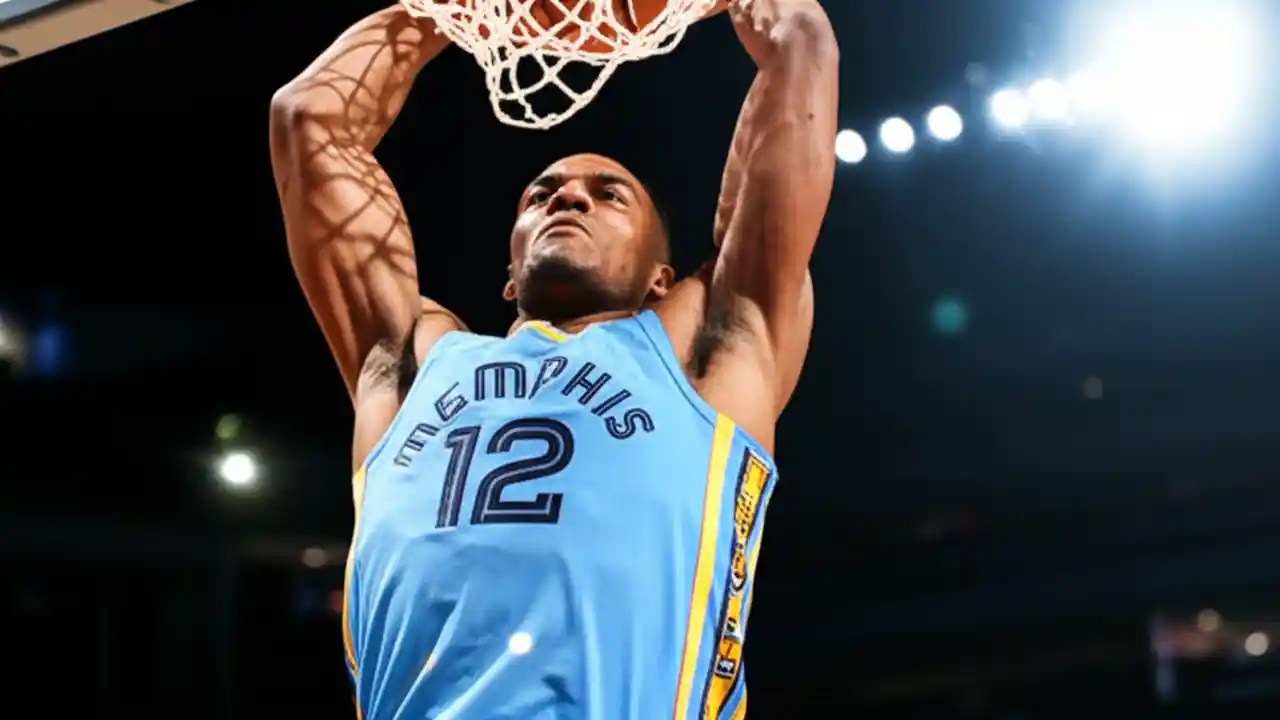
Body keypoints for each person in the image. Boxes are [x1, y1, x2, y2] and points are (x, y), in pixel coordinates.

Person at [269, 0, 836, 716]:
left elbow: (799, 46)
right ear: (509, 273)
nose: (567, 194)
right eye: (541, 194)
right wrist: (452, 11)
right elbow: (309, 121)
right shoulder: (417, 359)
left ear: (662, 276)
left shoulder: (705, 349)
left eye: (609, 194)